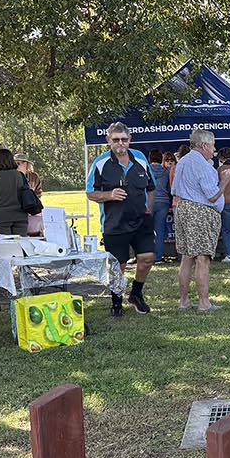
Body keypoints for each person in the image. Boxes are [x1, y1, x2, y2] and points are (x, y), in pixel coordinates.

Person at [86, 122, 156, 316]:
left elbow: (151, 188)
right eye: (116, 140)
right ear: (108, 140)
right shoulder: (100, 163)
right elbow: (90, 193)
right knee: (119, 264)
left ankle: (136, 293)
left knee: (147, 257)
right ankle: (116, 301)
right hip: (114, 223)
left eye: (124, 140)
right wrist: (109, 195)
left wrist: (148, 210)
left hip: (141, 220)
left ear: (130, 140)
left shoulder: (140, 159)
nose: (120, 144)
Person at [172, 129, 224, 310]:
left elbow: (174, 188)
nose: (214, 149)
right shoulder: (202, 164)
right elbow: (212, 195)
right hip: (200, 212)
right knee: (203, 258)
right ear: (204, 145)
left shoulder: (182, 161)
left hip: (183, 208)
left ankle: (184, 301)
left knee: (187, 257)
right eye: (213, 145)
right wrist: (224, 181)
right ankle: (204, 303)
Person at [0, 148, 30, 236]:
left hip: (0, 218)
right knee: (20, 247)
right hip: (20, 217)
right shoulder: (20, 176)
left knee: (4, 248)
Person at [147, 148, 172, 262]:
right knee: (160, 230)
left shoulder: (146, 170)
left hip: (149, 202)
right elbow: (169, 188)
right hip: (163, 202)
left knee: (146, 230)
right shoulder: (166, 172)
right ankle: (158, 257)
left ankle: (147, 255)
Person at [14, 152, 43, 236]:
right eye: (14, 164)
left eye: (18, 163)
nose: (16, 166)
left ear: (25, 164)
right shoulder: (13, 177)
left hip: (32, 209)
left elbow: (38, 192)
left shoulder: (34, 177)